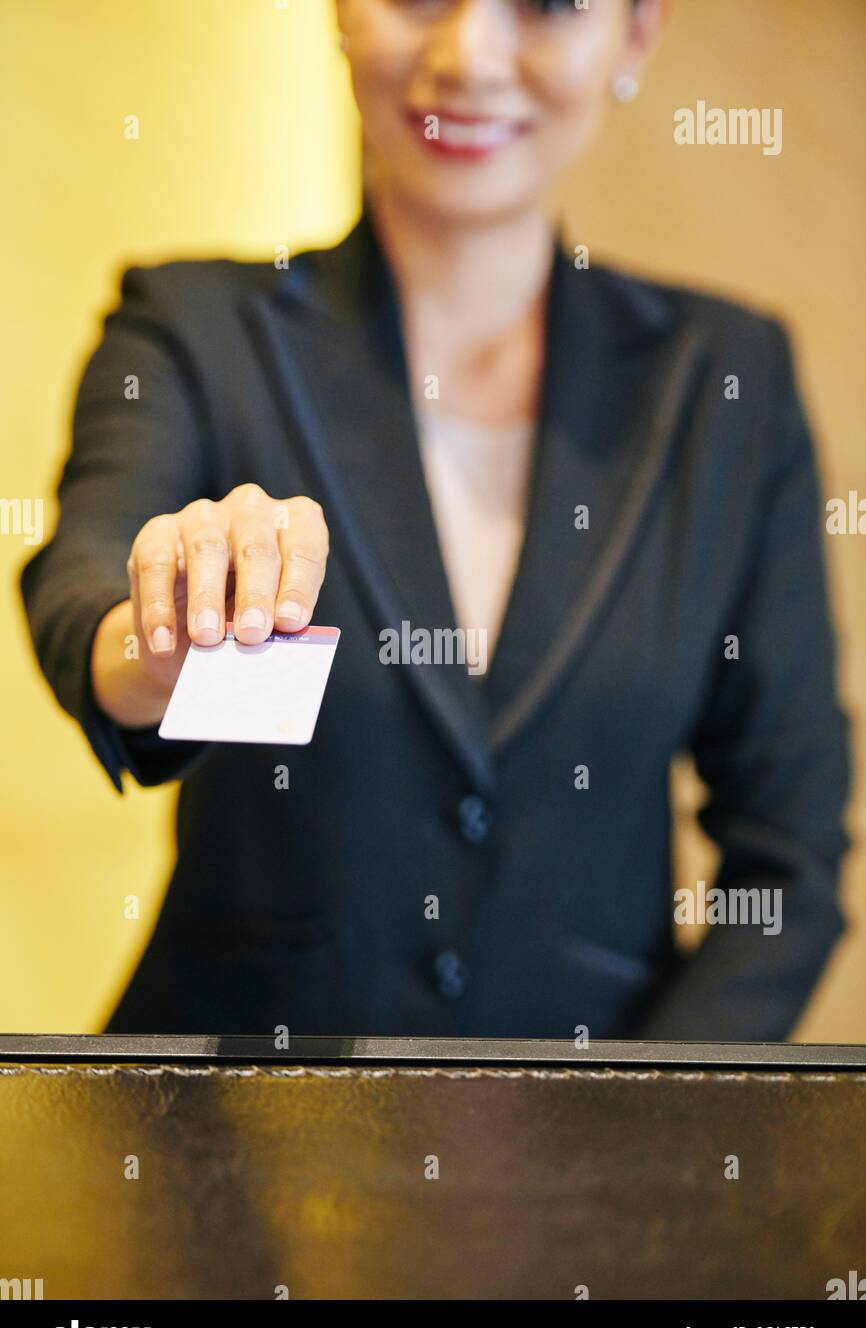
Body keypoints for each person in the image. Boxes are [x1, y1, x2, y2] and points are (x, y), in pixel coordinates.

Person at [21, 0, 850, 1040]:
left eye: (546, 5)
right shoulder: (193, 328)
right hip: (229, 1134)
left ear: (637, 33)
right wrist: (159, 635)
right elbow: (84, 575)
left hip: (605, 1156)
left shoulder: (726, 380)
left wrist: (638, 1140)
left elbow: (786, 853)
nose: (468, 55)